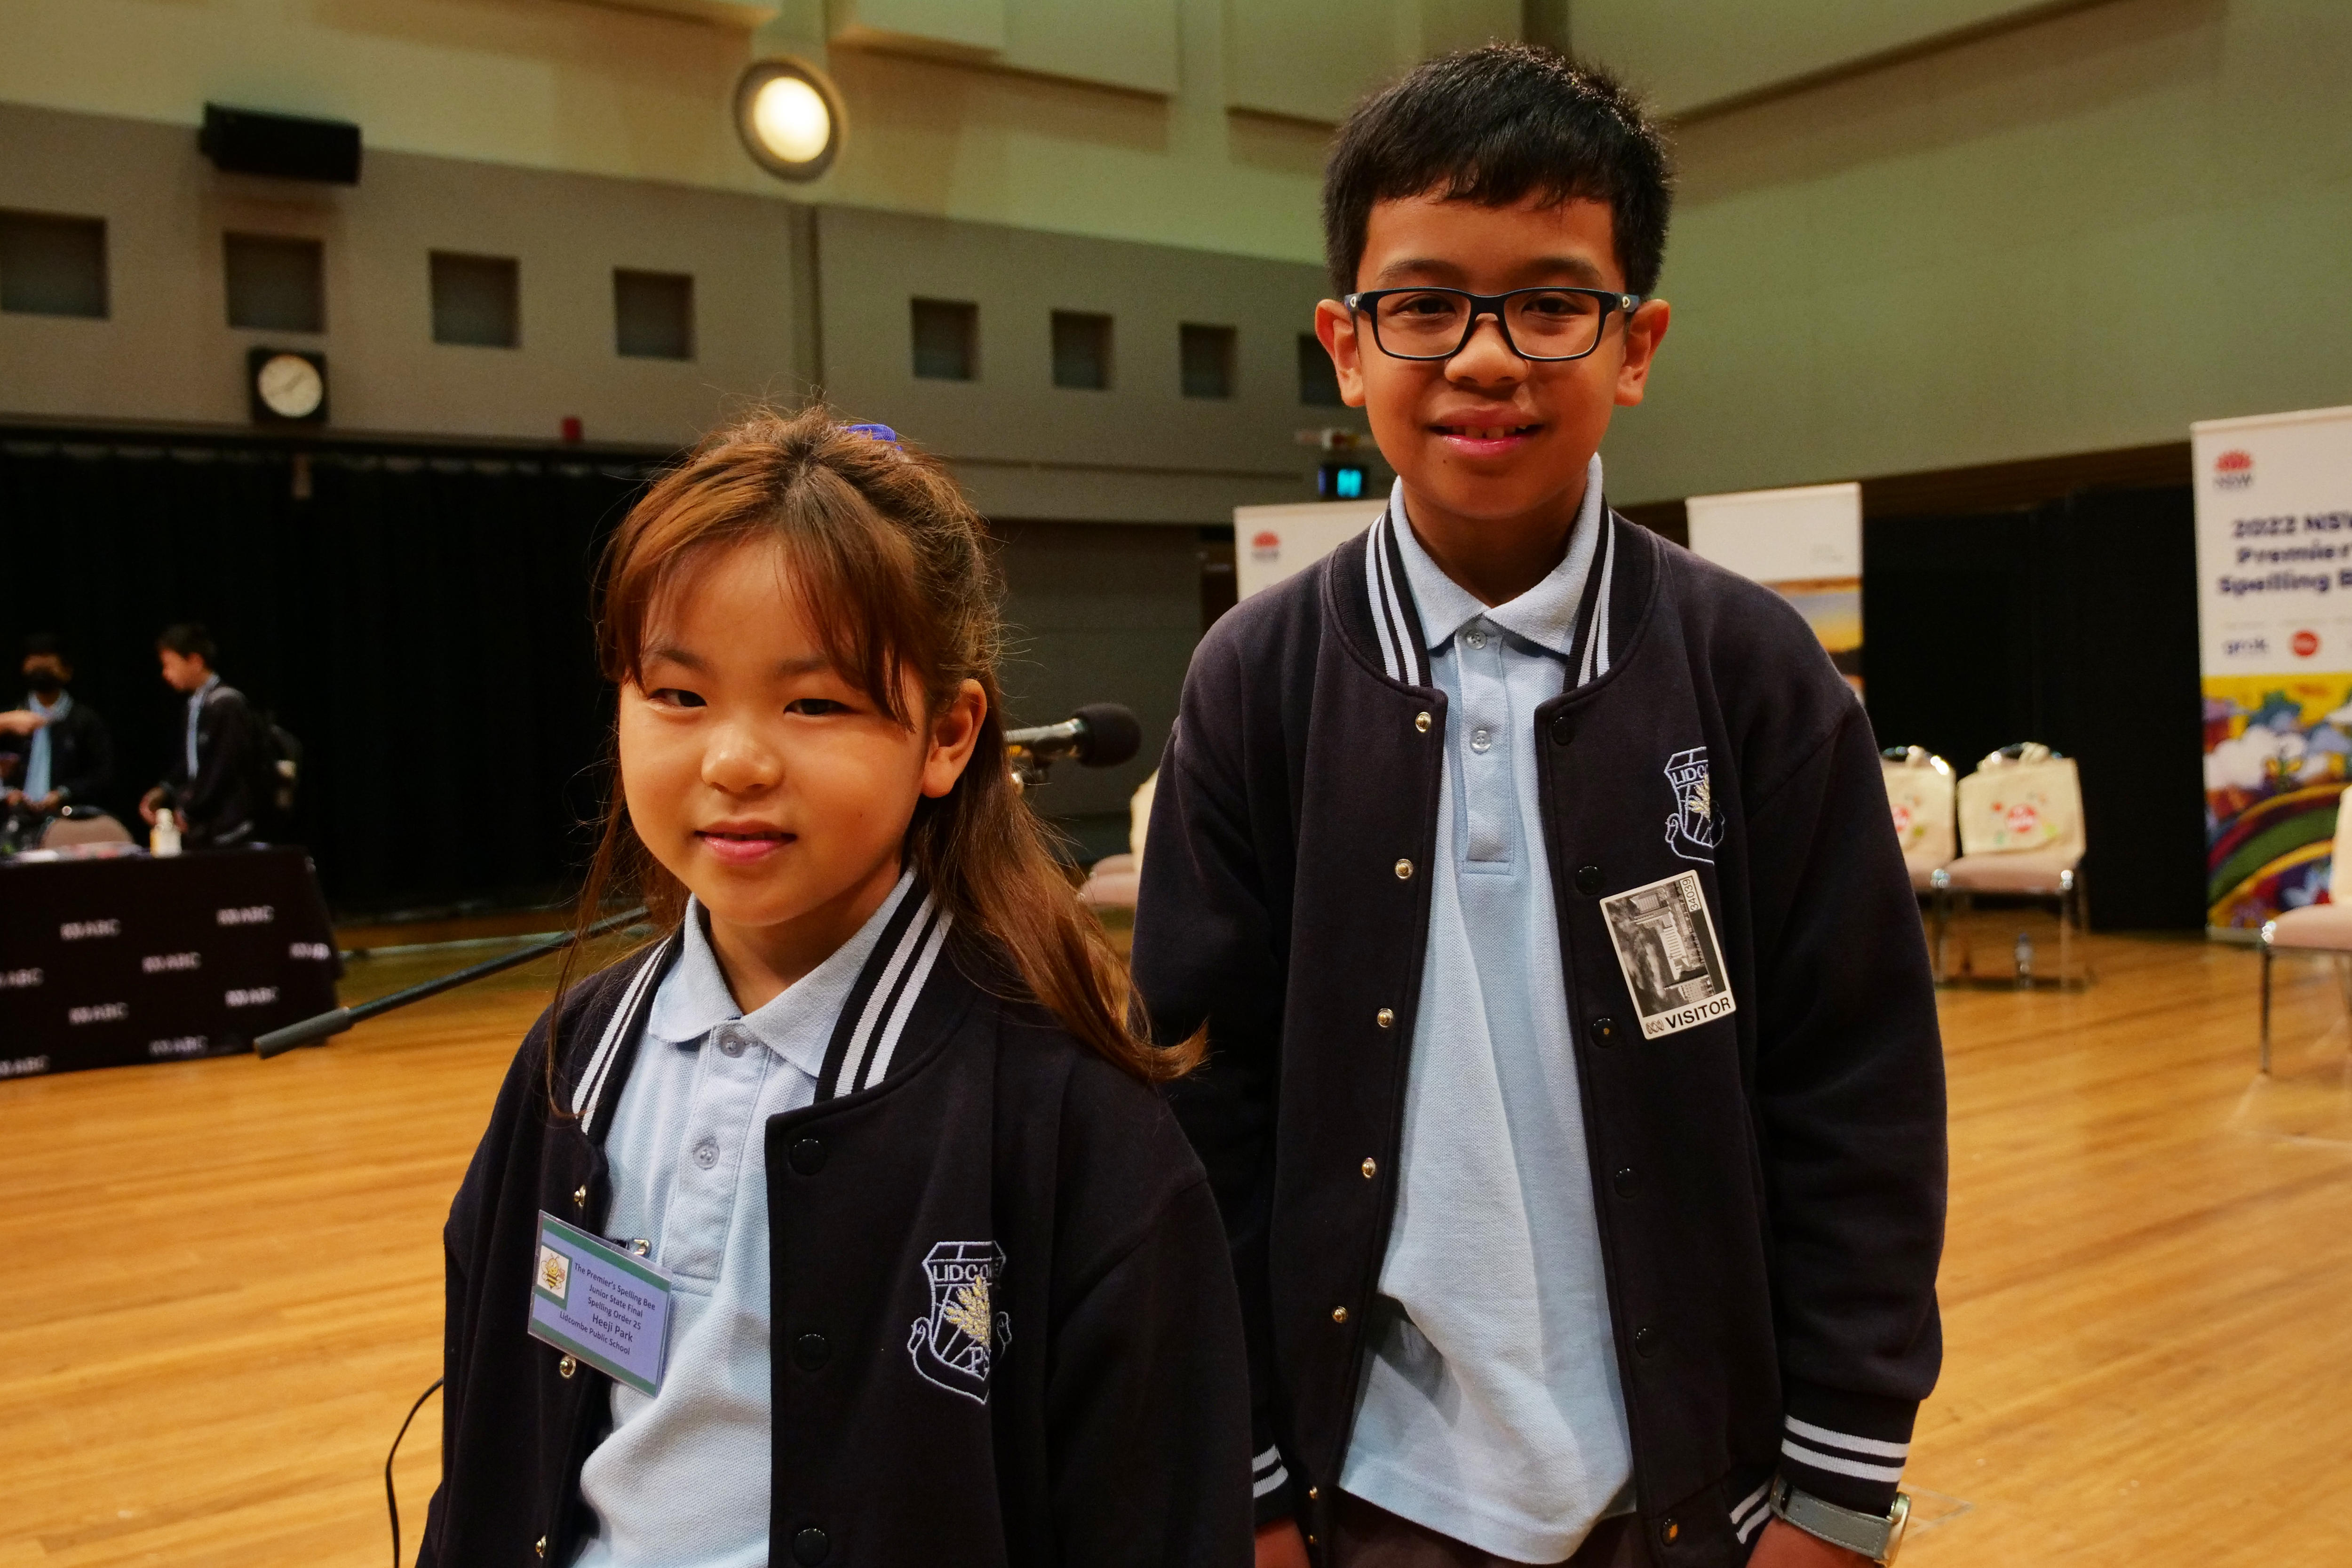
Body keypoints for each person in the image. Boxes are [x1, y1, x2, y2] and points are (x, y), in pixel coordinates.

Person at [1133, 46, 1945, 1568]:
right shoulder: (1258, 682)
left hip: (1705, 1483)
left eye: (1551, 304)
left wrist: (1838, 1493)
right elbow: (1202, 1120)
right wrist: (1243, 1482)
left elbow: (1861, 1094)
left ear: (1635, 344)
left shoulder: (1753, 674)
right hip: (1366, 1489)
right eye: (1425, 305)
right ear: (1346, 344)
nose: (1487, 358)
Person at [421, 409, 1254, 1568]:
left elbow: (1155, 1514)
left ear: (949, 734)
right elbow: (497, 1439)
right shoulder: (574, 1056)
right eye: (677, 695)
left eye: (812, 704)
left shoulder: (1066, 1108)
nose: (735, 760)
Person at [138, 622, 260, 847]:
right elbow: (192, 762)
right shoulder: (194, 705)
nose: (166, 674)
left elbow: (222, 768)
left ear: (195, 661)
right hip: (205, 825)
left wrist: (189, 810)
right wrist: (166, 788)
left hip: (231, 827)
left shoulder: (227, 705)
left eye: (170, 666)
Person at [0, 634, 116, 839]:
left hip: (68, 822)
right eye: (36, 668)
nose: (41, 674)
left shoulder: (84, 721)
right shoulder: (11, 720)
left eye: (48, 668)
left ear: (67, 672)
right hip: (12, 821)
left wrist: (64, 793)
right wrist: (8, 793)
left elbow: (102, 774)